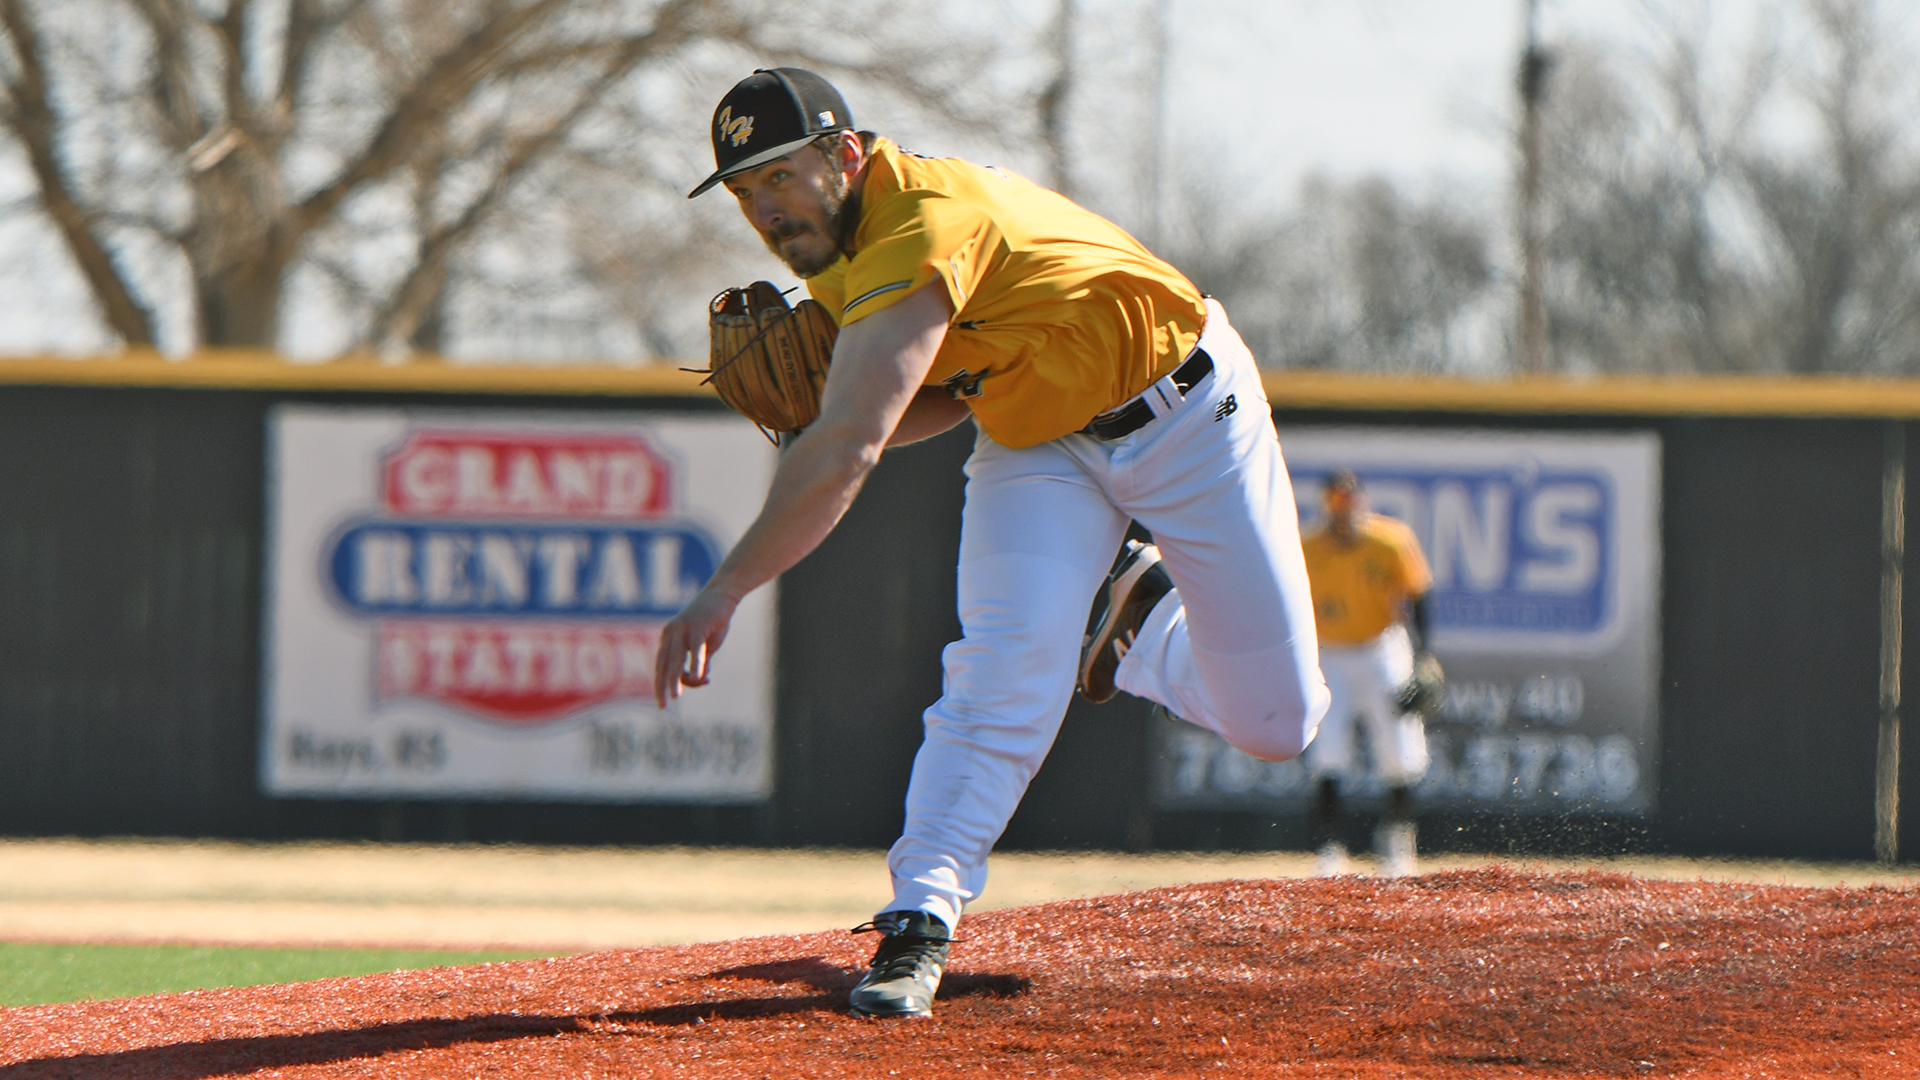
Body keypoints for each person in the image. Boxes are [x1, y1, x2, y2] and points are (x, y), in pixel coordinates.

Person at [660, 68, 1329, 1018]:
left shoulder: (920, 227)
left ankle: (1138, 632)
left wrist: (726, 585)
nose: (764, 207)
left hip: (1189, 415)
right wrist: (839, 416)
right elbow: (945, 394)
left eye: (780, 175)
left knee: (1277, 725)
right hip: (1037, 441)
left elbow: (851, 446)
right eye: (743, 189)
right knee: (1002, 675)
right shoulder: (840, 257)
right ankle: (918, 918)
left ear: (843, 155)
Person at [1298, 470, 1435, 878]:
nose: (1343, 511)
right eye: (1336, 503)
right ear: (1326, 506)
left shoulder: (1389, 540)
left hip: (1381, 646)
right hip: (1330, 651)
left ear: (1361, 502)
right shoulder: (1307, 547)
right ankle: (1328, 848)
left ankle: (1398, 841)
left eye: (1349, 501)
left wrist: (1425, 655)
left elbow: (1419, 595)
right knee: (1327, 749)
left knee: (1398, 748)